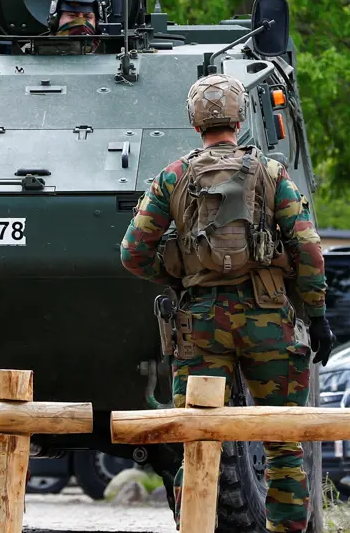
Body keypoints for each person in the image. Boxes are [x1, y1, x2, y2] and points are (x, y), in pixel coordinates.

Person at [119, 73, 333, 532]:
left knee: (197, 442)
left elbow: (132, 253)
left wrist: (180, 274)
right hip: (268, 319)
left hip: (199, 325)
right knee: (282, 442)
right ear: (239, 118)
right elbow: (308, 251)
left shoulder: (172, 176)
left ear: (195, 122)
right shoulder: (273, 173)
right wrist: (316, 315)